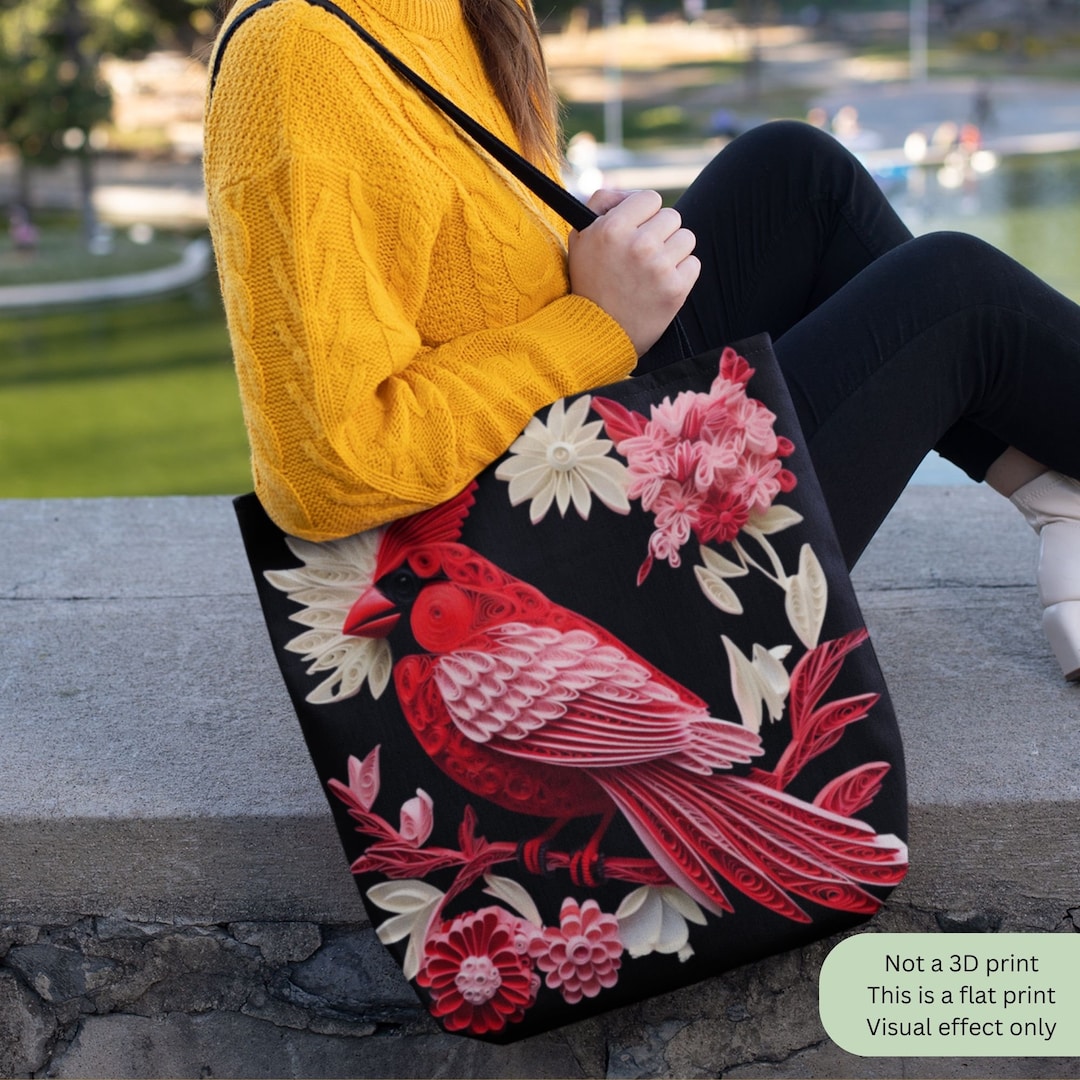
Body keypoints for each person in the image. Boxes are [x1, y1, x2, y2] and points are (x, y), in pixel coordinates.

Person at [203, 0, 1080, 682]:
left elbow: (455, 288)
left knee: (793, 176)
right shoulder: (297, 59)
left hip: (575, 497)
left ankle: (1061, 498)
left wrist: (568, 254)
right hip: (563, 614)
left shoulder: (456, 17)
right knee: (957, 295)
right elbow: (327, 466)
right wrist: (595, 324)